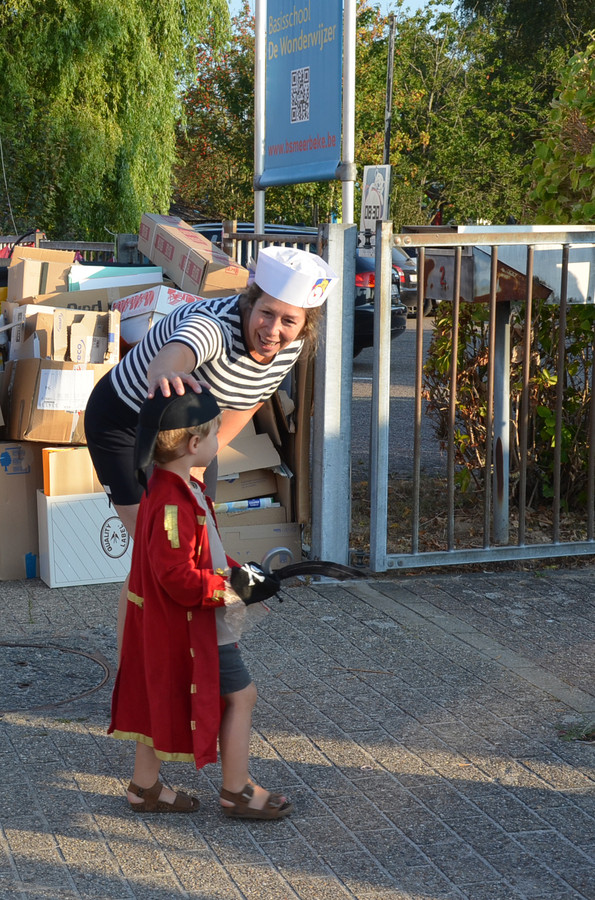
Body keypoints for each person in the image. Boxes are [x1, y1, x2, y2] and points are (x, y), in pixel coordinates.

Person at [84, 245, 337, 649]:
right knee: (155, 552)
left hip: (194, 438)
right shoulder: (212, 327)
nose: (273, 329)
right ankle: (135, 667)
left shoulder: (288, 346)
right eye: (266, 313)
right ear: (250, 301)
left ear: (304, 324)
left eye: (289, 320)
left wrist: (199, 465)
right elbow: (175, 355)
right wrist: (166, 372)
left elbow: (249, 399)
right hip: (126, 425)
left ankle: (196, 653)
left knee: (201, 546)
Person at [110, 385, 293, 818]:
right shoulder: (173, 503)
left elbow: (204, 550)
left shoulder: (174, 486)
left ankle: (144, 787)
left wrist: (240, 571)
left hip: (177, 622)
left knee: (160, 697)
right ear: (194, 444)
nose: (216, 442)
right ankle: (237, 791)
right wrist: (232, 589)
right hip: (195, 625)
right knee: (242, 696)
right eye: (213, 434)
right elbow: (176, 577)